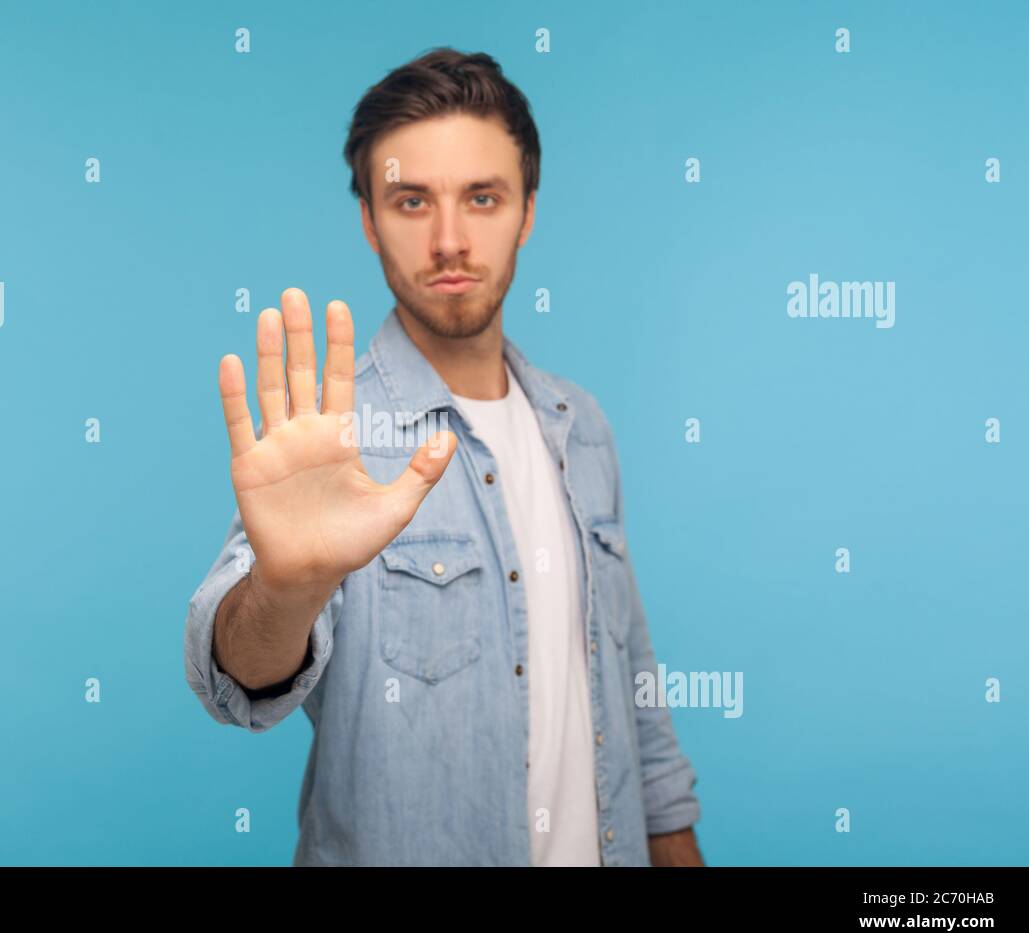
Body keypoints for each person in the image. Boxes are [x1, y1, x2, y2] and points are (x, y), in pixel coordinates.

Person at [185, 47, 702, 866]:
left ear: (527, 212)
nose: (450, 241)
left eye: (482, 198)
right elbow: (238, 678)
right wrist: (284, 588)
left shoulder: (583, 428)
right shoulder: (332, 436)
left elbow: (635, 695)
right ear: (369, 221)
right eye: (411, 200)